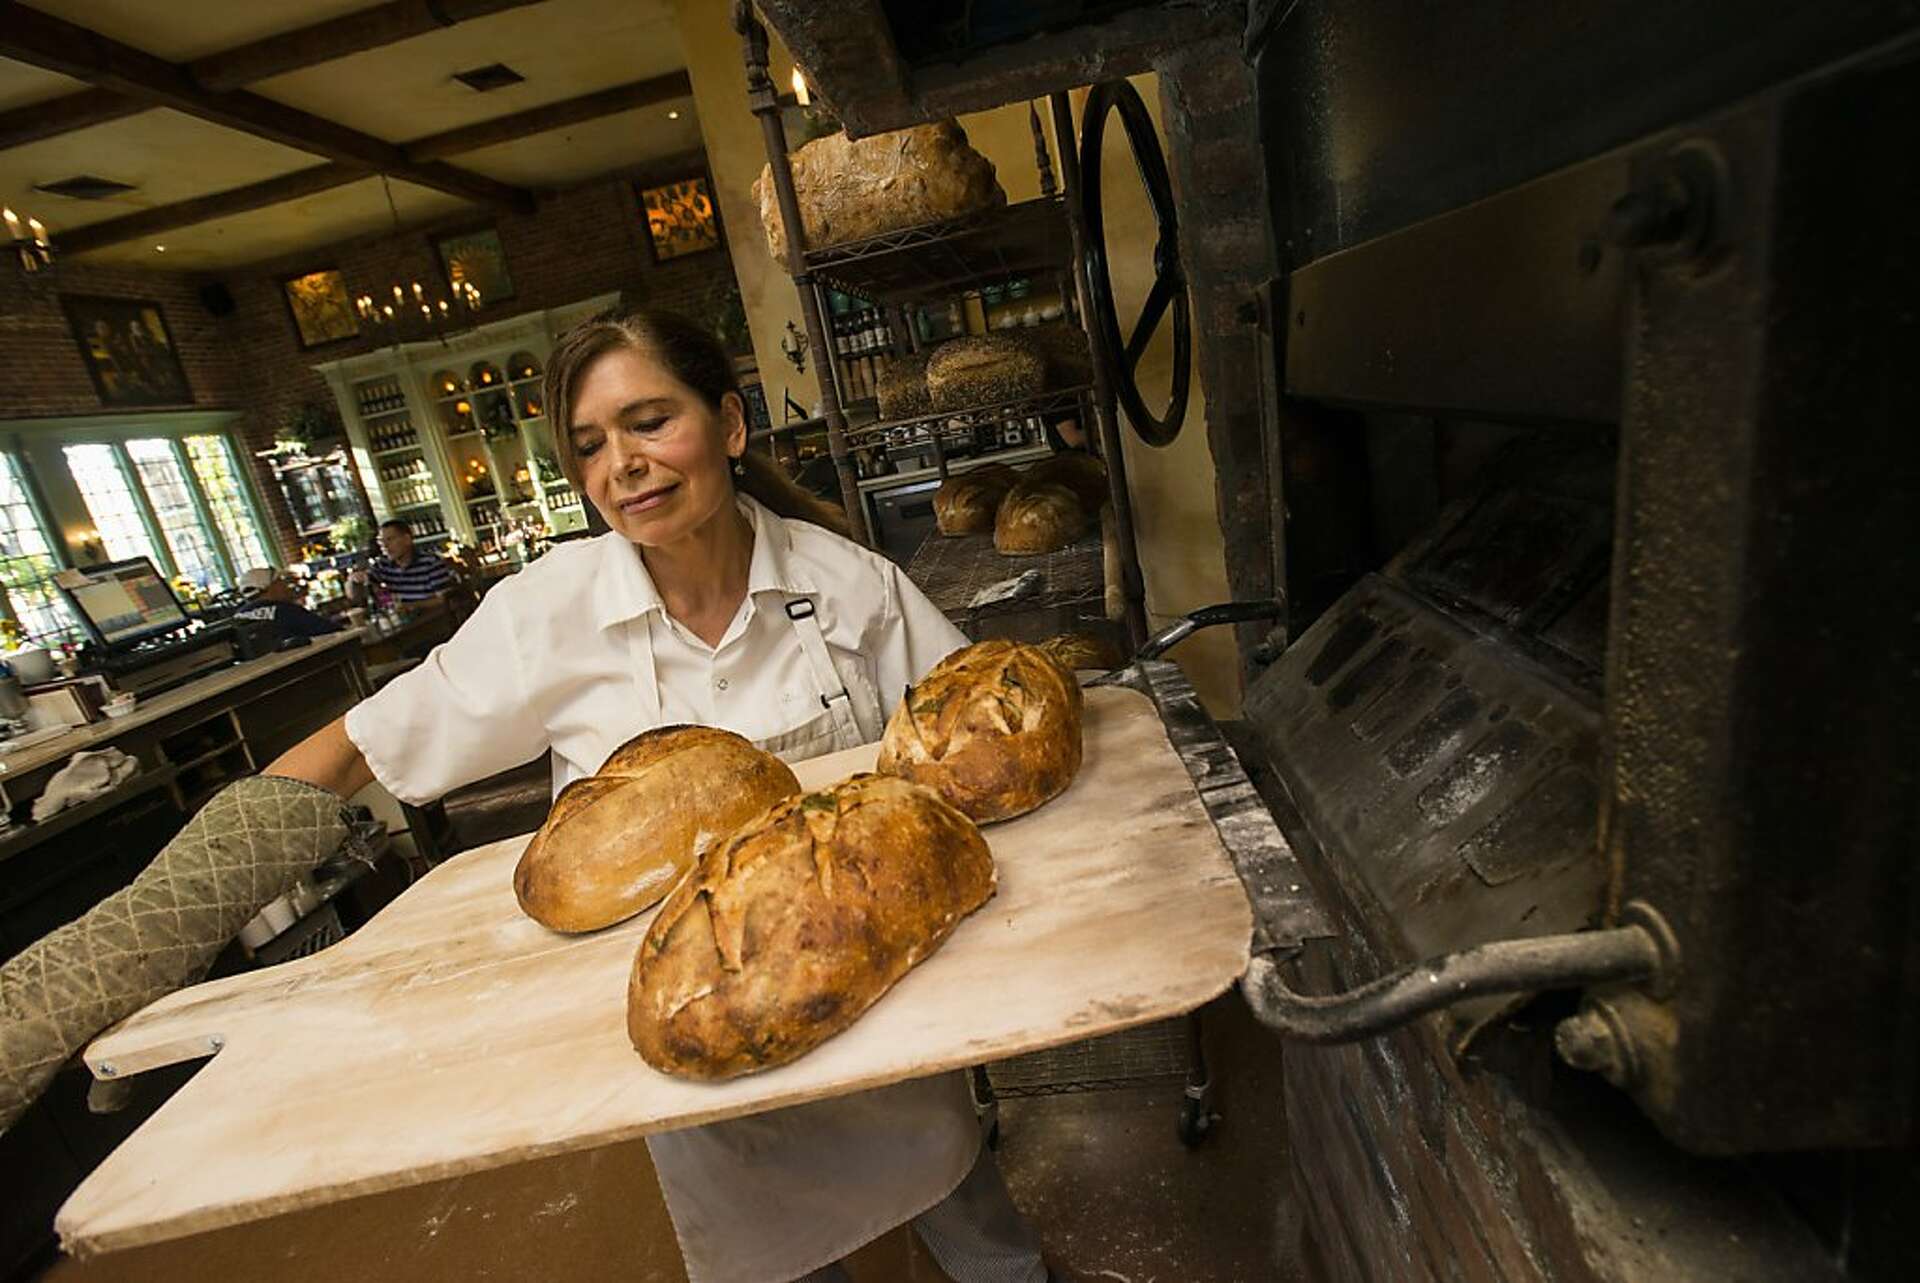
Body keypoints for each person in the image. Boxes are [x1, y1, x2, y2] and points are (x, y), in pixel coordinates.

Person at [265, 309, 1059, 1283]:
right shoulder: (546, 615)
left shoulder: (847, 586)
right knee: (779, 1254)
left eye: (648, 421)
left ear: (729, 425)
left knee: (962, 1200)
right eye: (591, 444)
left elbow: (974, 748)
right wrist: (205, 883)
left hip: (885, 1012)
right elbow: (359, 747)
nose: (621, 464)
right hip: (693, 1032)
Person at [232, 567, 342, 643]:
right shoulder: (286, 611)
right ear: (270, 587)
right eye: (279, 581)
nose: (285, 585)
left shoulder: (238, 616)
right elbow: (333, 631)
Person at [360, 519, 456, 603]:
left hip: (434, 619)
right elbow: (365, 587)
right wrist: (355, 579)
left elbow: (444, 600)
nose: (385, 546)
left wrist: (409, 606)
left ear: (407, 539)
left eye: (390, 539)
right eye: (381, 541)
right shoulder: (382, 564)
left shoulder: (431, 562)